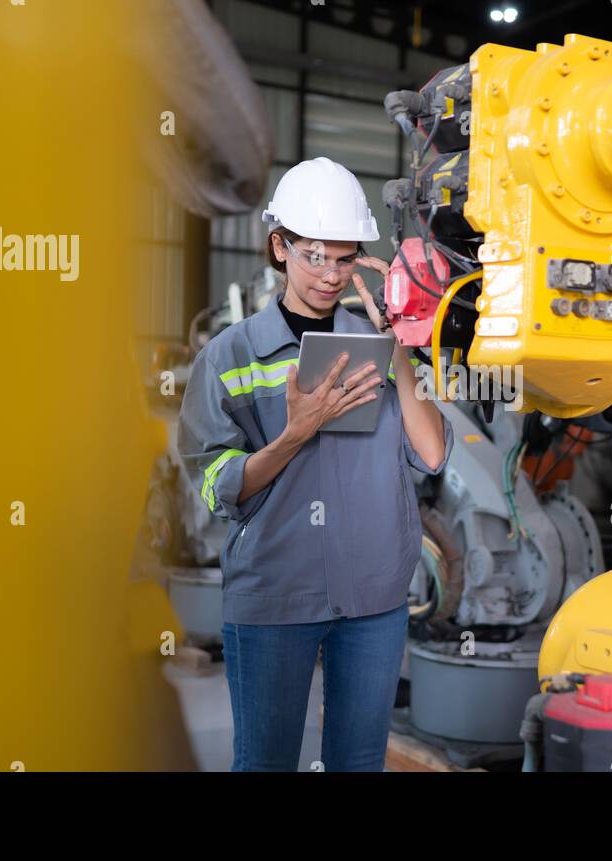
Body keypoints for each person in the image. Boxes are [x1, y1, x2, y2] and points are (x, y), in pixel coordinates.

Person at [176, 156, 451, 772]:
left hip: (374, 600)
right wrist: (295, 433)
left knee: (358, 763)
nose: (331, 275)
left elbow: (432, 454)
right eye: (315, 256)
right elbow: (217, 487)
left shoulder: (374, 345)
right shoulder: (229, 356)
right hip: (277, 597)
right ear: (280, 246)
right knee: (266, 762)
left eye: (346, 257)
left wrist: (397, 347)